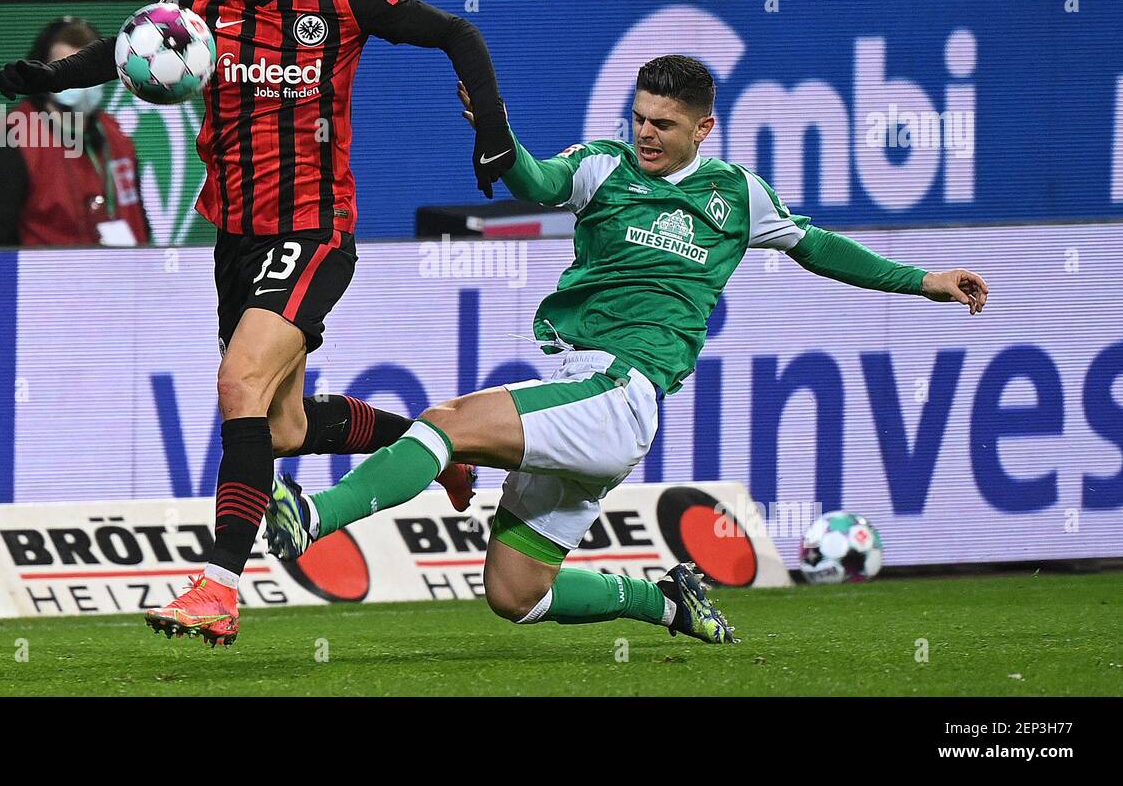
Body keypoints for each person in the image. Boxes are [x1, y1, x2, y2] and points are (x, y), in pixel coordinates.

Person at [264, 55, 990, 645]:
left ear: (705, 127)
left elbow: (818, 247)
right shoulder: (604, 167)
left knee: (447, 422)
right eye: (639, 118)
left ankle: (314, 517)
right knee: (515, 594)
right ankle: (665, 602)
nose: (647, 134)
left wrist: (926, 281)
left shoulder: (736, 195)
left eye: (665, 124)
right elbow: (537, 180)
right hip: (589, 391)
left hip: (622, 392)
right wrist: (497, 133)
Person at [0, 0, 505, 645]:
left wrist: (491, 127)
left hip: (316, 232)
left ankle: (221, 584)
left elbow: (456, 34)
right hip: (234, 239)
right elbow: (135, 44)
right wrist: (54, 79)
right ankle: (437, 449)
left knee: (237, 381)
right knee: (286, 427)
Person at [0, 16, 151, 247]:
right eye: (69, 70)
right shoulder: (8, 144)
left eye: (86, 73)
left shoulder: (117, 137)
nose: (81, 83)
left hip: (126, 277)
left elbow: (139, 224)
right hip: (47, 279)